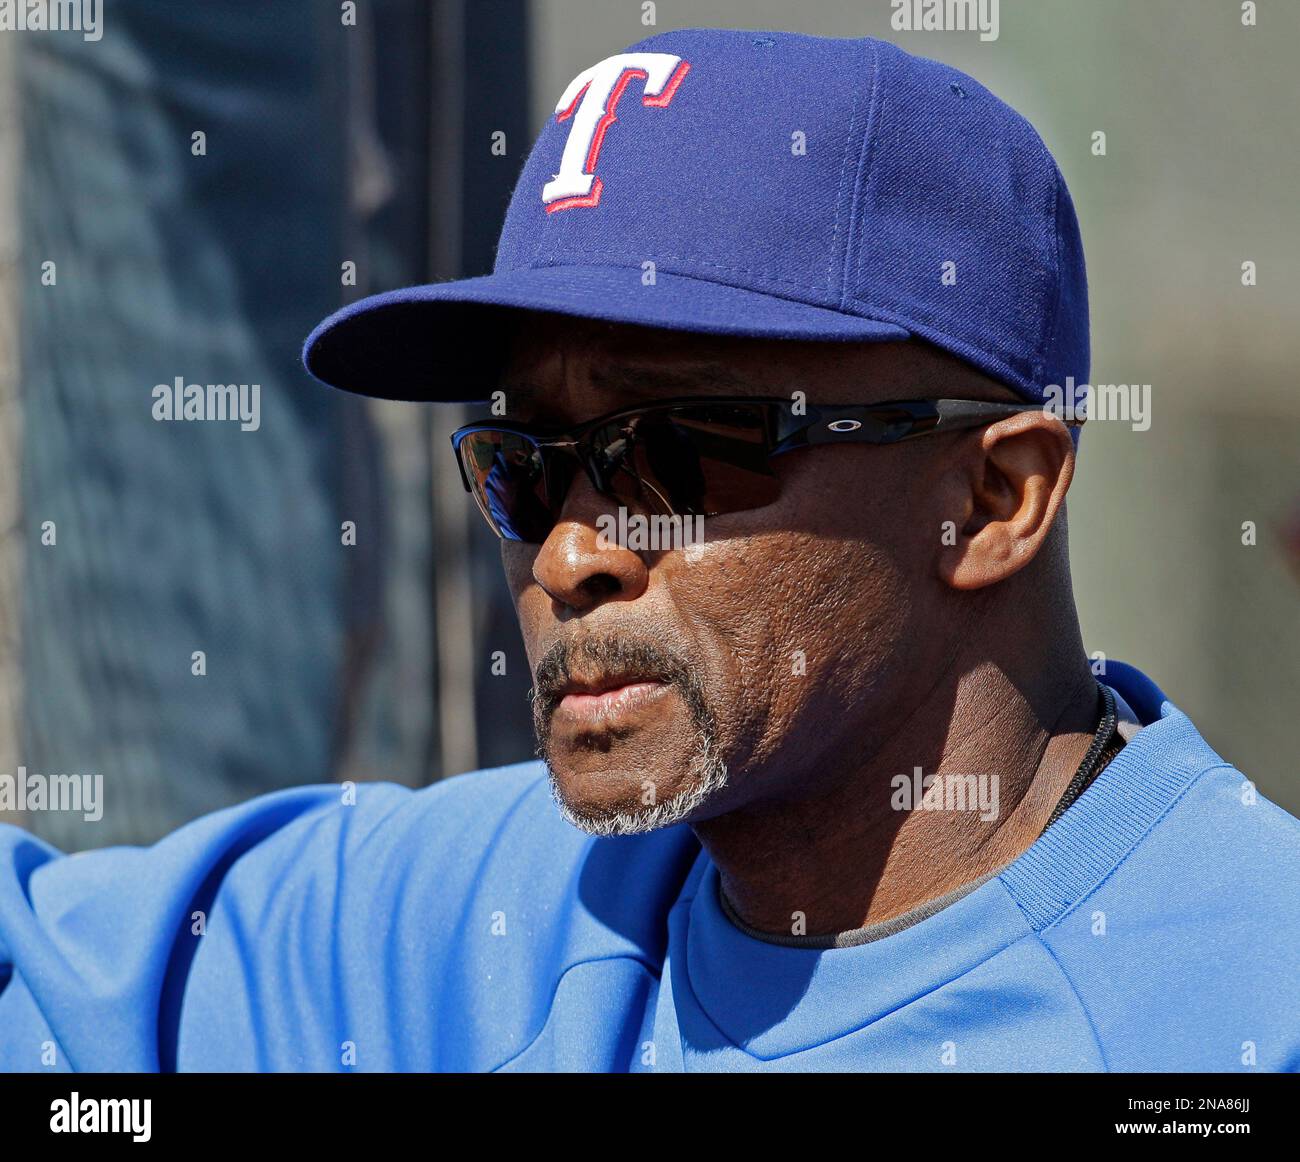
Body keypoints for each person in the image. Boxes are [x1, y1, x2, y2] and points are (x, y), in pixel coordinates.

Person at [2, 28, 1297, 1073]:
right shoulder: (453, 925)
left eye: (679, 449)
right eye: (525, 465)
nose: (568, 552)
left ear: (996, 496)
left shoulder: (1247, 996)